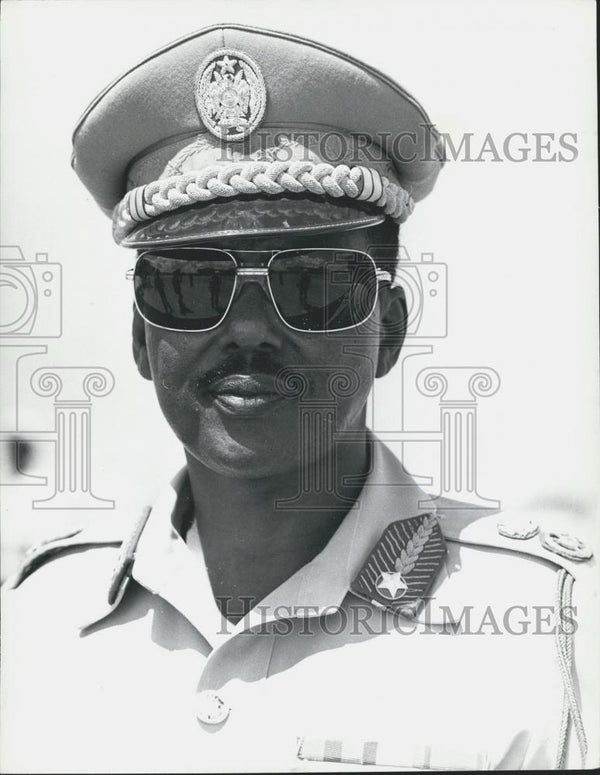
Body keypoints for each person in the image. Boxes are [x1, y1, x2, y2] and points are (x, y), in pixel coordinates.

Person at [1, 23, 596, 773]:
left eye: (313, 284)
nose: (249, 331)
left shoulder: (551, 636)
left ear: (389, 331)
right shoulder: (33, 625)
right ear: (140, 336)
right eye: (192, 285)